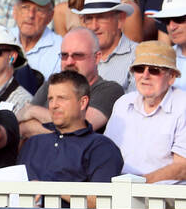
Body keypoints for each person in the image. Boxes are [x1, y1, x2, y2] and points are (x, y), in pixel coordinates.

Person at [18, 68, 124, 181]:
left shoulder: (101, 148)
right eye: (50, 99)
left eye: (61, 98)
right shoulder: (32, 143)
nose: (54, 105)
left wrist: (47, 189)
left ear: (83, 103)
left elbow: (102, 197)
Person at [19, 26, 125, 136]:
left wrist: (32, 116)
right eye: (64, 55)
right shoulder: (52, 83)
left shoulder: (109, 90)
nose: (69, 62)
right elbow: (22, 124)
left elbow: (80, 126)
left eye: (78, 55)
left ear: (97, 58)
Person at [105, 40, 186, 183]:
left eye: (154, 70)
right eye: (139, 69)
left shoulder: (183, 105)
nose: (145, 75)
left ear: (171, 77)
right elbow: (106, 154)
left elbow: (182, 167)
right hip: (120, 191)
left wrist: (139, 185)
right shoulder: (122, 103)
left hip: (166, 198)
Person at [78, 0, 137, 89]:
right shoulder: (74, 56)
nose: (94, 26)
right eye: (89, 18)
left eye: (101, 17)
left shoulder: (138, 56)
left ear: (120, 20)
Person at [14, 0, 64, 78]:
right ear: (14, 12)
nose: (31, 15)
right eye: (25, 7)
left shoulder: (61, 49)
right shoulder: (3, 39)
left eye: (39, 10)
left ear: (50, 16)